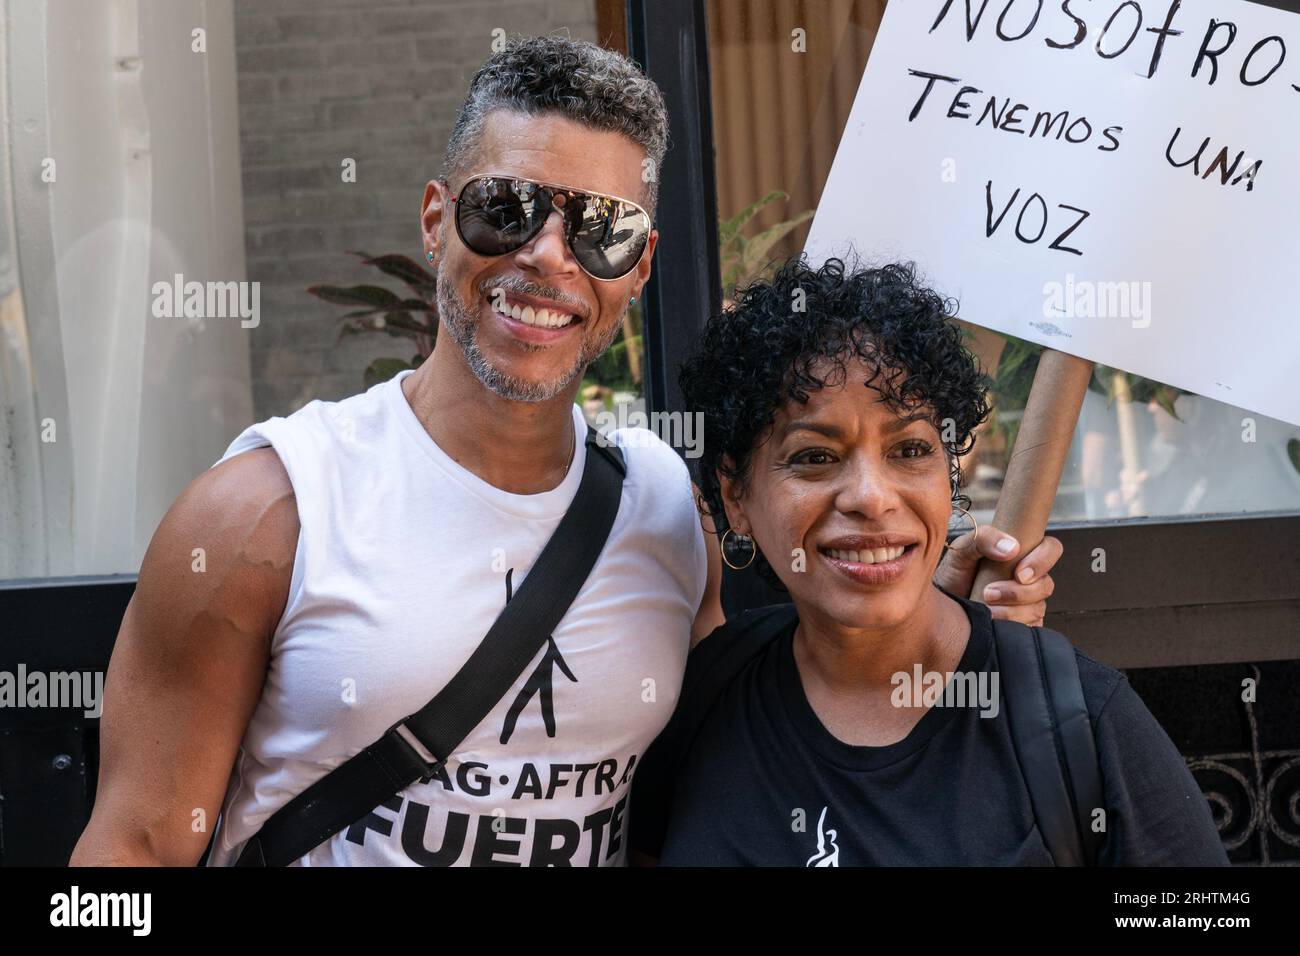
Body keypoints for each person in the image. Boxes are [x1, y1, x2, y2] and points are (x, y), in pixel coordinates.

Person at [70, 38, 1058, 868]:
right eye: (505, 207)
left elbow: (751, 727)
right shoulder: (266, 510)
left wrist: (937, 615)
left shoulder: (665, 505)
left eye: (601, 230)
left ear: (638, 269)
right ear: (433, 217)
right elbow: (127, 859)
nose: (548, 256)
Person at [629, 256, 1228, 866]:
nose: (871, 496)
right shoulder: (708, 692)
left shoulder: (1077, 722)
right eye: (813, 457)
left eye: (910, 449)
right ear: (737, 497)